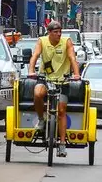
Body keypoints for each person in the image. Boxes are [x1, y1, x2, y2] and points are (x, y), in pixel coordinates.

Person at [28, 20, 81, 158]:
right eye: (55, 32)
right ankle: (41, 119)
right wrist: (31, 70)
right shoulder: (42, 41)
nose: (58, 34)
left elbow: (72, 58)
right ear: (49, 32)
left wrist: (76, 74)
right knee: (38, 93)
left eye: (60, 32)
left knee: (62, 110)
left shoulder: (67, 42)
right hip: (45, 78)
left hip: (63, 80)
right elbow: (35, 56)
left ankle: (62, 144)